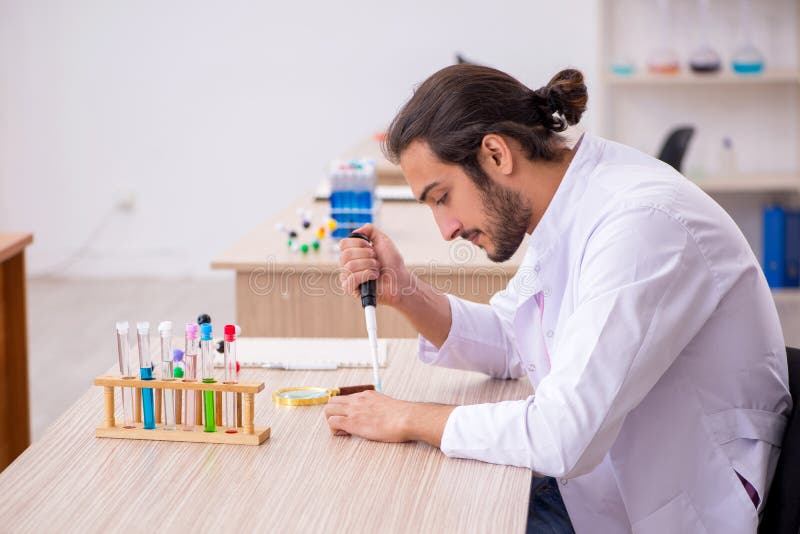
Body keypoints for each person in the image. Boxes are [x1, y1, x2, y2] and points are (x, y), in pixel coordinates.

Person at [324, 64, 791, 534]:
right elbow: (514, 341)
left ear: (495, 153)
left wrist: (408, 417)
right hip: (600, 485)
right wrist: (405, 292)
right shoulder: (568, 207)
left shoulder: (640, 223)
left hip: (678, 506)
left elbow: (563, 435)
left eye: (442, 197)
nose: (446, 230)